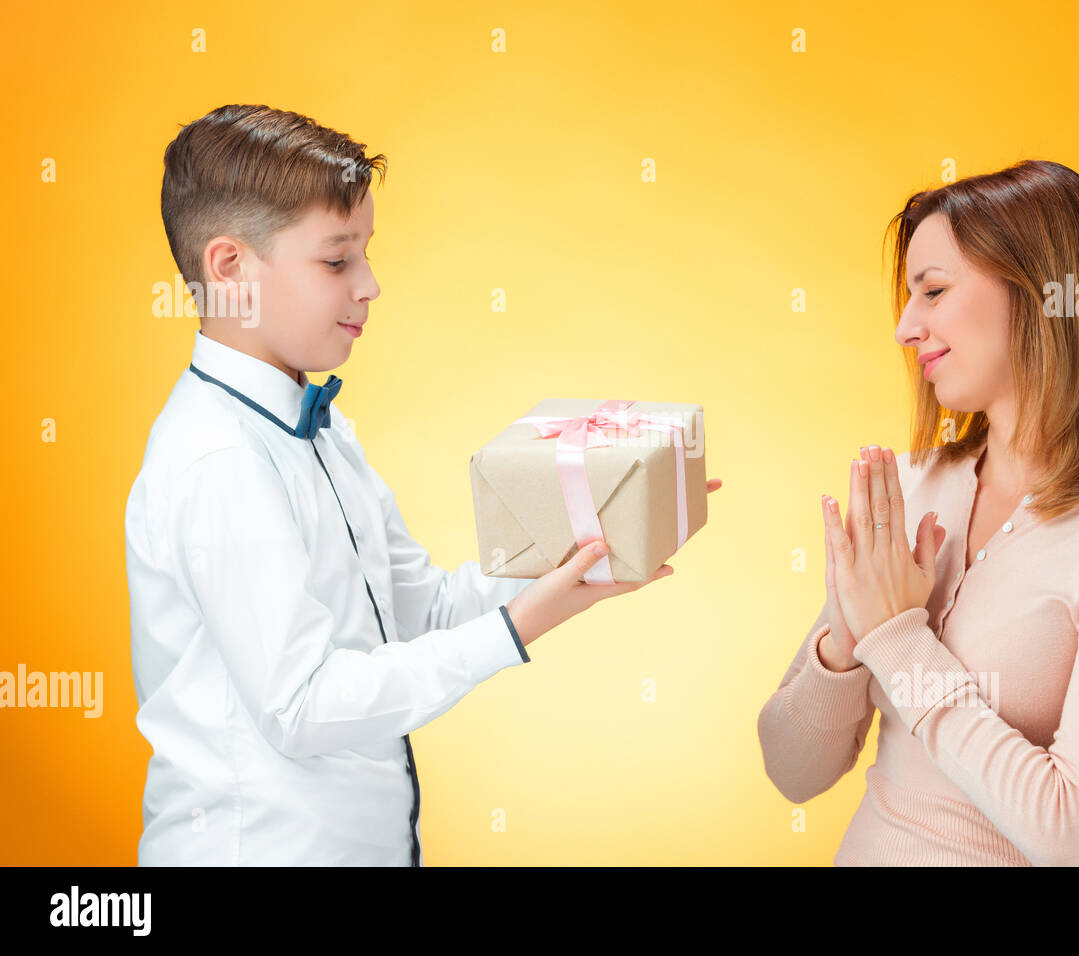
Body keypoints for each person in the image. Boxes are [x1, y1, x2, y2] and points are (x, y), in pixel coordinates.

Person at [126, 104, 720, 866]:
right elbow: (302, 706)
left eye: (367, 253)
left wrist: (593, 542)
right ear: (231, 268)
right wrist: (515, 630)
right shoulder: (214, 458)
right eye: (337, 261)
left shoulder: (323, 428)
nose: (370, 284)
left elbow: (418, 613)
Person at [756, 159, 1079, 866]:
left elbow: (1067, 829)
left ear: (1041, 294)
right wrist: (844, 647)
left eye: (933, 291)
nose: (906, 329)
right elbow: (792, 772)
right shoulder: (909, 489)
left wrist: (899, 640)